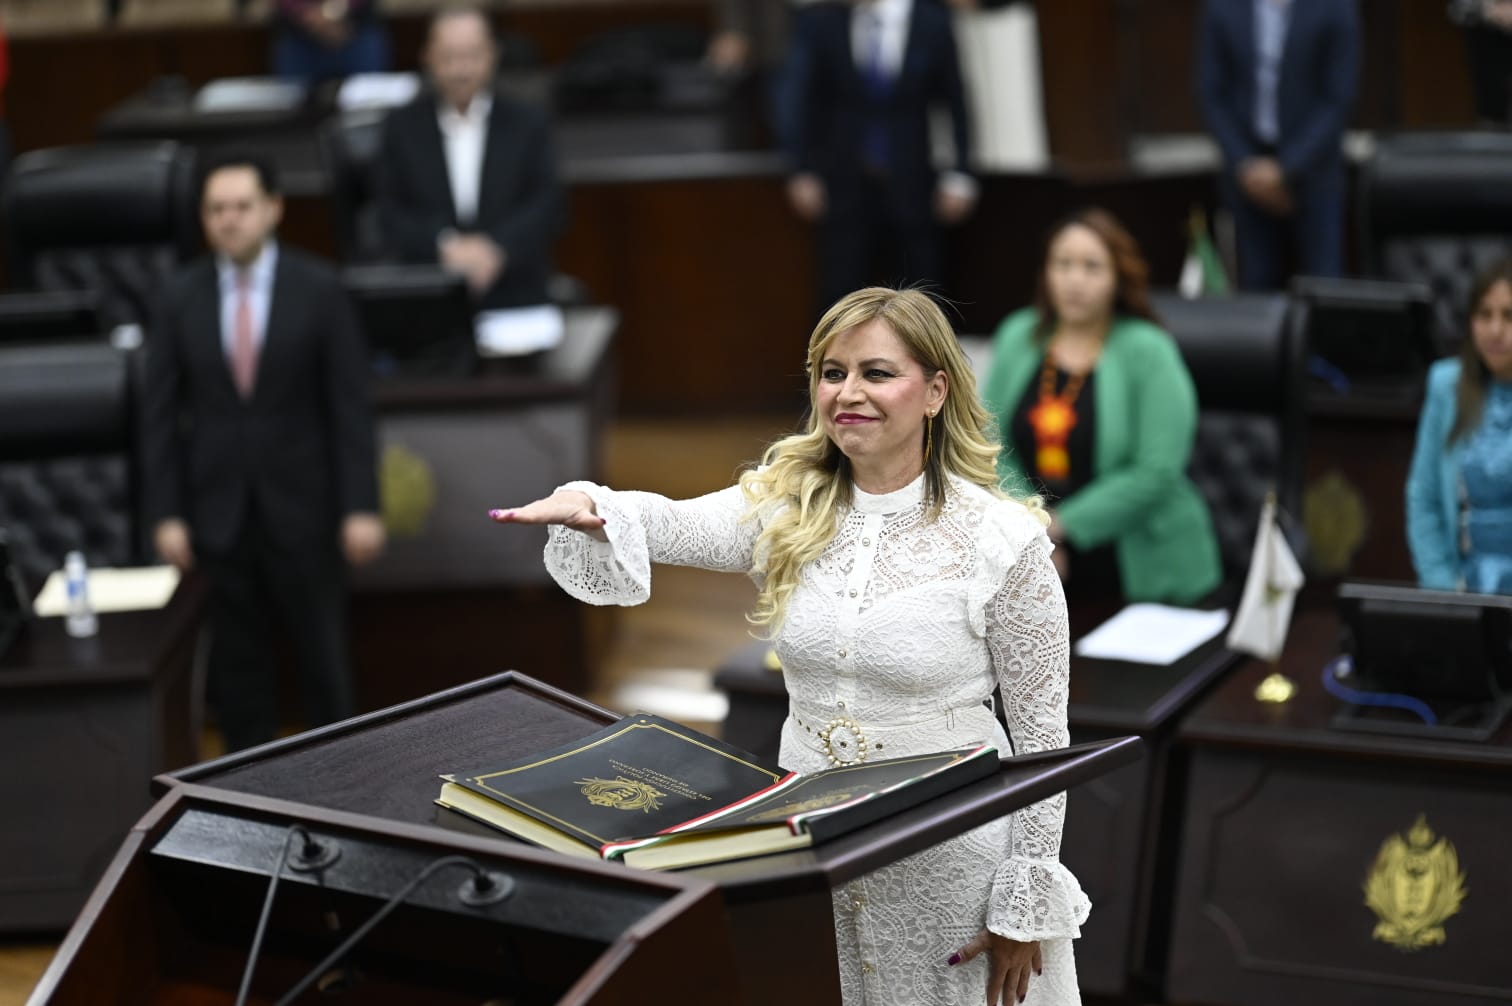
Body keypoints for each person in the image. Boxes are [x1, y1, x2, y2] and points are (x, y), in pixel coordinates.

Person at [491, 288, 1088, 1006]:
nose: (848, 394)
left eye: (876, 373)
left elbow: (1043, 741)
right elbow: (671, 521)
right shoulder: (787, 508)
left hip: (951, 867)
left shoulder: (1002, 541)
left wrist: (1022, 908)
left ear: (934, 391)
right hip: (808, 850)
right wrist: (595, 505)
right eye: (832, 373)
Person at [143, 150, 385, 753]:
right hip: (217, 514)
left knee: (322, 664)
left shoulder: (321, 288)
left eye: (242, 207)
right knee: (237, 675)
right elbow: (159, 416)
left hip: (307, 509)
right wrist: (166, 512)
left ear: (273, 209)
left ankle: (346, 783)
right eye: (215, 209)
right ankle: (248, 795)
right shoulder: (179, 296)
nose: (229, 220)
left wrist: (361, 505)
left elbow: (350, 408)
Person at [979, 208, 1222, 605]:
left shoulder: (1149, 349)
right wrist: (1031, 528)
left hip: (1141, 563)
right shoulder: (1018, 334)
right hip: (1037, 555)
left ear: (1117, 277)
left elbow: (1156, 471)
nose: (1075, 280)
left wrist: (1058, 527)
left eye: (1092, 267)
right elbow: (988, 443)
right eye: (1063, 264)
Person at [785, 0, 977, 312]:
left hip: (913, 182)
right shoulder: (825, 22)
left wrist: (960, 173)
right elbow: (806, 101)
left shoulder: (932, 20)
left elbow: (956, 102)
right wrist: (803, 169)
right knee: (839, 294)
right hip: (845, 185)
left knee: (921, 296)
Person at [375, 5, 565, 309]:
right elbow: (389, 211)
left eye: (472, 55)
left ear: (493, 55)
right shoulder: (401, 127)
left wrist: (495, 248)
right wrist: (446, 246)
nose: (461, 70)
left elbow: (547, 203)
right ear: (427, 57)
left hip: (516, 287)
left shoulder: (527, 122)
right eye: (448, 57)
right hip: (431, 291)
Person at [1195, 0, 1360, 290]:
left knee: (1325, 282)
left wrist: (1285, 168)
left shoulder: (1336, 7)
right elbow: (1213, 93)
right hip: (1247, 171)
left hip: (1314, 167)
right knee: (1255, 279)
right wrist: (1245, 162)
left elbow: (1338, 98)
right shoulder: (1222, 7)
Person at [1406, 257, 1512, 594]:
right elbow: (1424, 499)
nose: (1495, 331)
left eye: (1509, 317)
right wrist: (1444, 592)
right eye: (1485, 315)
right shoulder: (1445, 386)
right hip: (1464, 586)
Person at [272, 0, 391, 84]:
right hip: (299, 39)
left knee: (369, 104)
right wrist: (310, 16)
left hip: (355, 33)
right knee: (294, 110)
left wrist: (331, 12)